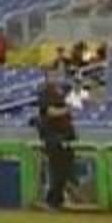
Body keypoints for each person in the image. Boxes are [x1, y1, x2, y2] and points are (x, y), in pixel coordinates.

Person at [37, 80, 78, 209]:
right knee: (57, 171)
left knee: (64, 171)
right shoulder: (46, 94)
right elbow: (50, 112)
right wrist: (67, 109)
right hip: (53, 140)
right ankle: (53, 200)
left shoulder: (61, 94)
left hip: (66, 139)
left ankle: (59, 199)